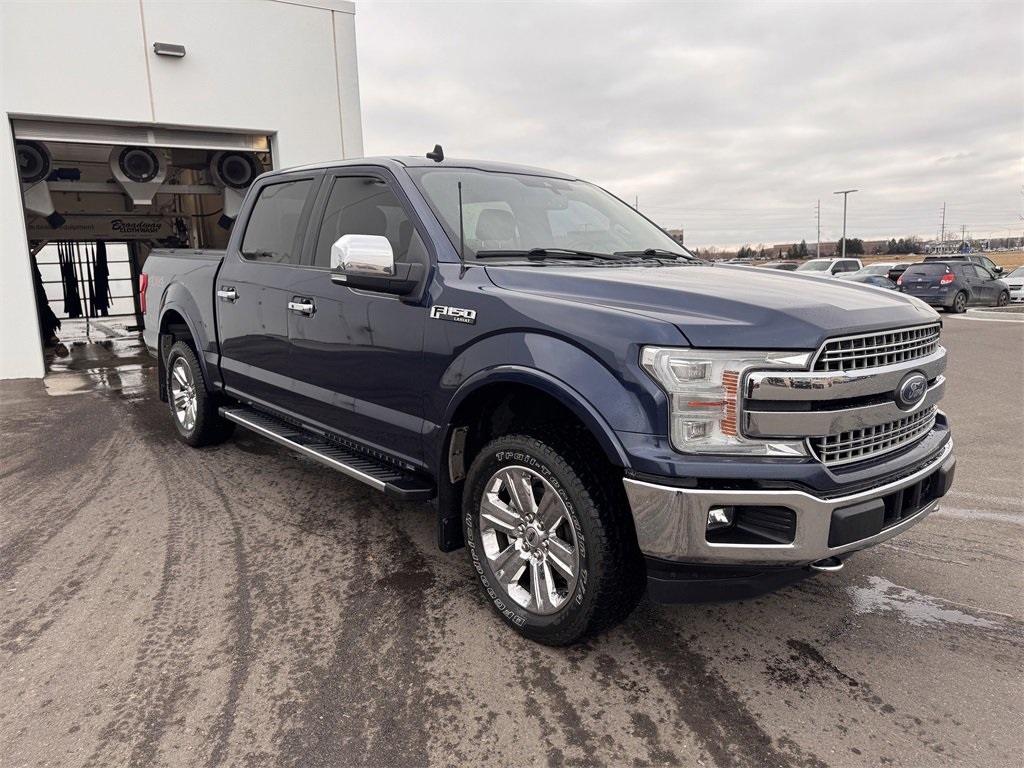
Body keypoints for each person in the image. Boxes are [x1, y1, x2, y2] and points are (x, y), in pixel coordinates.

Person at [30, 253, 68, 357]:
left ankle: (49, 335)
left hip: (40, 300)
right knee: (43, 312)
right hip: (41, 300)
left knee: (43, 312)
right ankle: (49, 335)